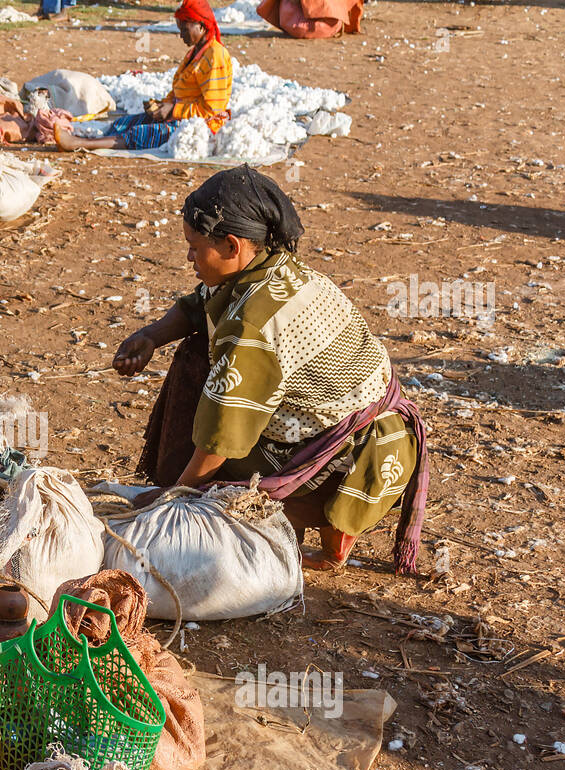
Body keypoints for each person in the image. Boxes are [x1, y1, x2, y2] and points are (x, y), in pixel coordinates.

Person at [112, 167, 429, 573]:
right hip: (368, 433)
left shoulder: (253, 326)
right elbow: (199, 303)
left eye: (194, 247)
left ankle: (298, 517)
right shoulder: (276, 267)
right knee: (199, 346)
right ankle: (331, 529)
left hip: (345, 455)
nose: (189, 257)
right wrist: (152, 336)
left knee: (202, 391)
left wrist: (174, 497)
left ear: (231, 245)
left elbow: (221, 438)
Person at [54, 0, 231, 152]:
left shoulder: (215, 56)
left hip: (203, 126)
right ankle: (83, 138)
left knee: (139, 134)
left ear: (200, 25)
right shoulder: (195, 53)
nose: (181, 35)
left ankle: (80, 143)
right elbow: (181, 91)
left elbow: (211, 110)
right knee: (126, 123)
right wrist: (163, 105)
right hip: (181, 115)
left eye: (184, 30)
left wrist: (172, 110)